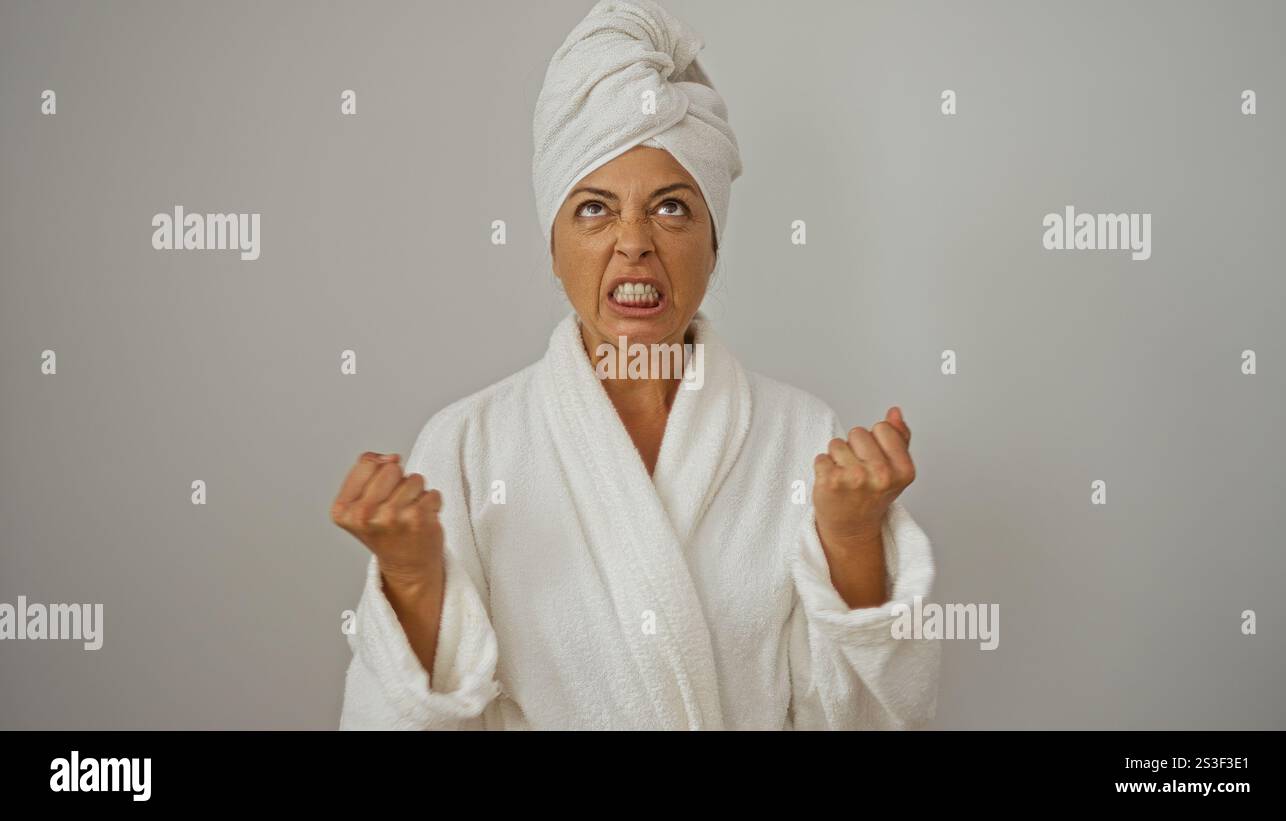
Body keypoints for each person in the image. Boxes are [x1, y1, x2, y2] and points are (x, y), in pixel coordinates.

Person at [332, 0, 940, 730]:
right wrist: (411, 578)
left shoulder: (803, 438)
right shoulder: (467, 448)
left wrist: (850, 541)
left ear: (714, 243)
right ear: (551, 246)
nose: (633, 242)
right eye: (592, 208)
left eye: (673, 208)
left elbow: (857, 719)